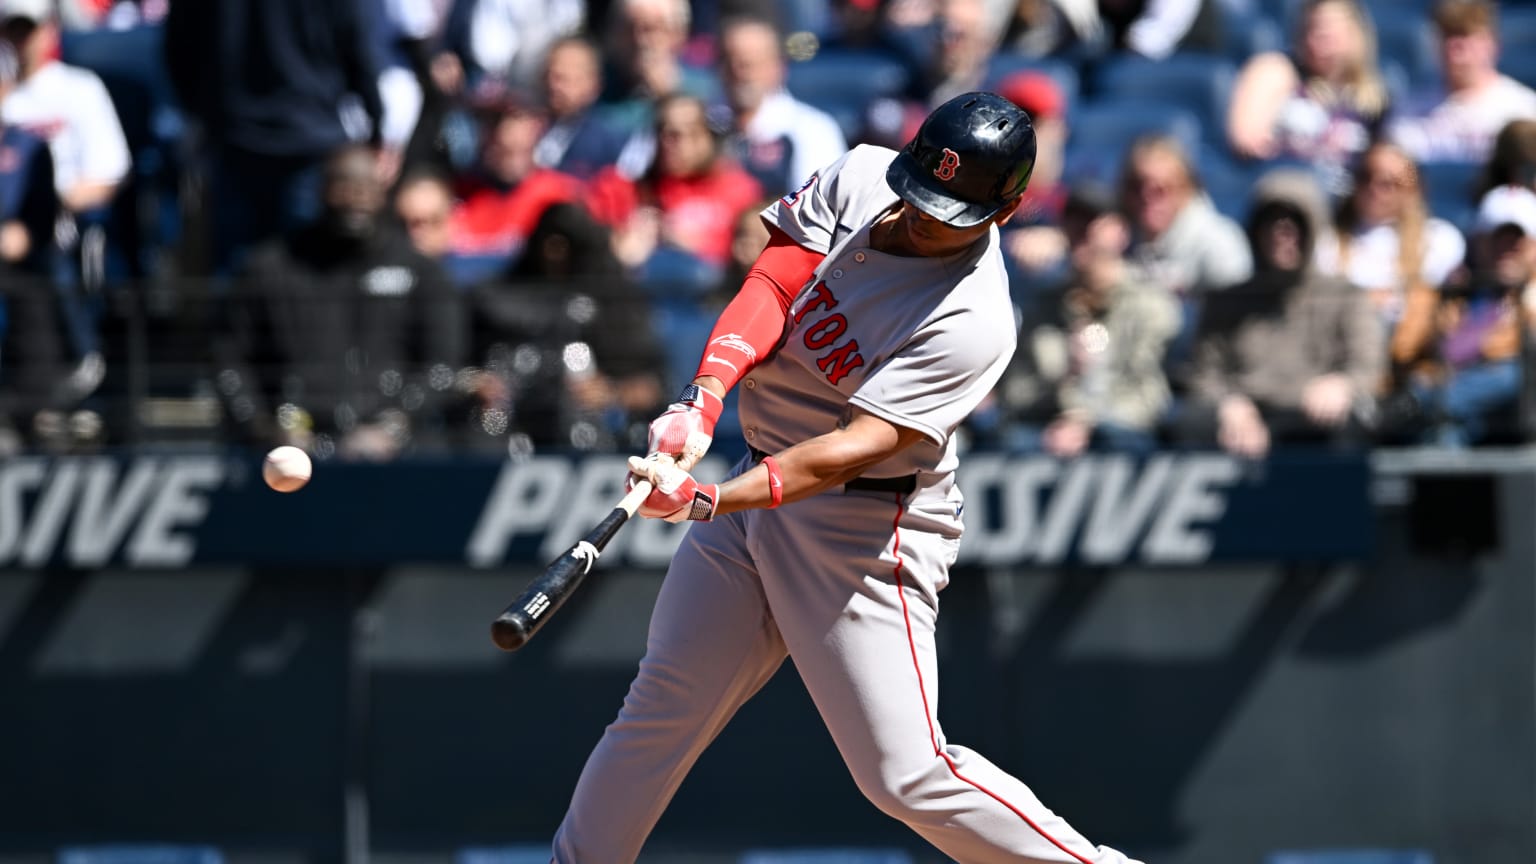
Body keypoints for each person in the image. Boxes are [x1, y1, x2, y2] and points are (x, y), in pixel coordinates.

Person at [551, 91, 1144, 864]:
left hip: (860, 533)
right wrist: (702, 401)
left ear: (1006, 212)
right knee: (663, 703)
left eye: (954, 211)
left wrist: (710, 501)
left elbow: (849, 447)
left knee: (907, 775)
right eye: (926, 195)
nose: (928, 219)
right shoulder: (865, 175)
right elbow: (772, 282)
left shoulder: (975, 318)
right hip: (759, 471)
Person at [216, 144, 465, 461]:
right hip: (293, 450)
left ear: (383, 194)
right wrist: (262, 426)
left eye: (366, 188)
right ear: (322, 191)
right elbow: (229, 359)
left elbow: (443, 366)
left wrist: (395, 425)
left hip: (398, 452)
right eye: (344, 186)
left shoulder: (421, 272)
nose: (356, 198)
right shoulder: (271, 268)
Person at [165, 0, 387, 274]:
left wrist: (202, 113)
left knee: (241, 276)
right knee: (305, 272)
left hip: (239, 137)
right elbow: (358, 45)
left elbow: (179, 47)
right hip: (302, 138)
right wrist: (376, 122)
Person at [1184, 168, 1382, 458]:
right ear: (1255, 230)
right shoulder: (1226, 301)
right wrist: (1228, 403)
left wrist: (1342, 384)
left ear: (1313, 228)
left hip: (1314, 418)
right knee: (1192, 424)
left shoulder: (1345, 297)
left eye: (1295, 222)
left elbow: (1366, 366)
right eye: (1272, 221)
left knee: (1352, 423)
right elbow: (1205, 373)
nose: (1283, 233)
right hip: (1244, 416)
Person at [992, 183, 1180, 456]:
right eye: (1073, 221)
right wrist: (1064, 384)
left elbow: (1149, 395)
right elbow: (1016, 392)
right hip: (1050, 428)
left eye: (1091, 222)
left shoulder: (1150, 304)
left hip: (1120, 431)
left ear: (1119, 232)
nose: (1080, 231)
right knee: (1013, 441)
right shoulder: (1045, 304)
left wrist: (1088, 420)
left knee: (1119, 441)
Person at [1390, 184, 1536, 446]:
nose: (1507, 251)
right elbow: (1405, 349)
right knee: (1445, 430)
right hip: (1467, 414)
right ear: (1479, 242)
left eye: (1517, 243)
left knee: (1515, 372)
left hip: (1518, 404)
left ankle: (1423, 402)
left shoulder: (1530, 297)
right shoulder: (1450, 291)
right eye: (1497, 240)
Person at [1226, 0, 1390, 194]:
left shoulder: (1374, 100)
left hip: (1347, 208)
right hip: (1286, 194)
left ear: (1355, 35)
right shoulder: (1279, 71)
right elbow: (1245, 140)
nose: (1316, 41)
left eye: (1327, 32)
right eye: (1310, 30)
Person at [587, 92, 763, 269]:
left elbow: (752, 252)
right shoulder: (627, 188)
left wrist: (691, 245)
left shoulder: (740, 191)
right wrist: (618, 245)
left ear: (710, 137)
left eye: (682, 134)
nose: (669, 144)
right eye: (663, 133)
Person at [1315, 142, 1466, 327]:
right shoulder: (1327, 241)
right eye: (1366, 177)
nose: (1374, 189)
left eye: (1388, 183)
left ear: (1412, 189)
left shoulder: (1439, 240)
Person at [1387, 0, 1536, 165]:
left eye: (1464, 35)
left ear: (1492, 44)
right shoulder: (1406, 110)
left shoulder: (1524, 110)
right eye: (1447, 35)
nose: (1454, 47)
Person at [717, 15, 849, 196]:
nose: (739, 73)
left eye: (749, 64)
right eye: (729, 62)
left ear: (778, 66)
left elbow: (817, 207)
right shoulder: (703, 121)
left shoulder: (814, 130)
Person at [533, 36, 630, 180]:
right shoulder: (530, 129)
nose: (553, 86)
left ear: (593, 84)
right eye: (548, 76)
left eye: (562, 78)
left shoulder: (609, 142)